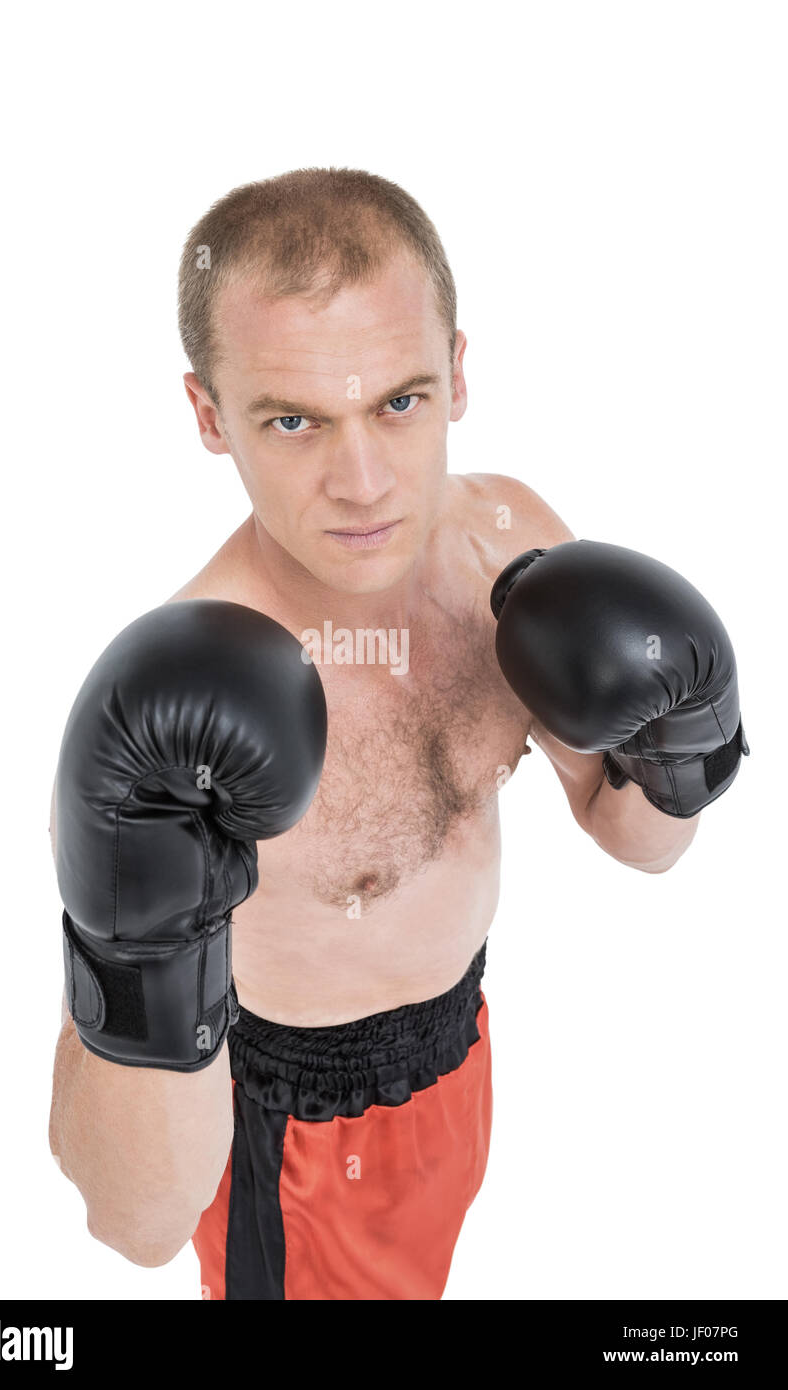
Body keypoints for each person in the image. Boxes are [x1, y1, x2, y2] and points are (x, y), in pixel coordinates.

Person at [48, 167, 747, 1300]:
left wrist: (682, 750)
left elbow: (640, 844)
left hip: (456, 1054)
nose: (364, 481)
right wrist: (140, 955)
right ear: (208, 416)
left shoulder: (507, 545)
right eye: (292, 420)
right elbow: (133, 1218)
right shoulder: (176, 704)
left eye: (399, 402)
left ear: (460, 372)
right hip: (286, 1134)